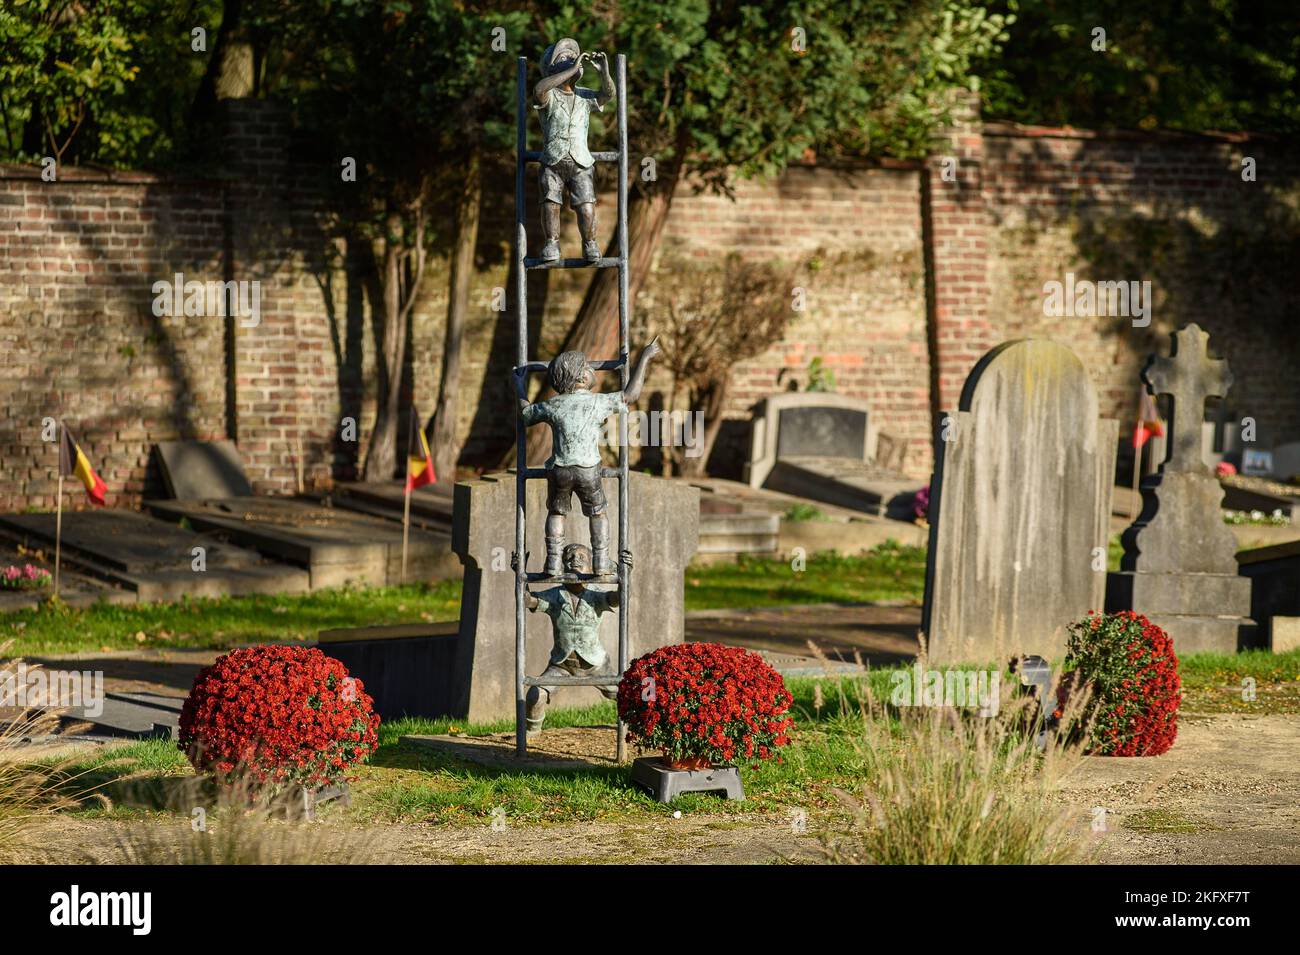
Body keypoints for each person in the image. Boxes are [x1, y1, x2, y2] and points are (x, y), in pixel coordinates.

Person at [519, 338, 660, 576]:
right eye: (588, 367)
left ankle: (553, 562)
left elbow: (526, 414)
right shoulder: (598, 402)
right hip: (588, 469)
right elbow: (630, 395)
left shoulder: (554, 404)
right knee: (598, 512)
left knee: (556, 512)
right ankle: (601, 561)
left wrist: (519, 386)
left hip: (559, 468)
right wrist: (644, 358)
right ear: (581, 378)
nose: (593, 370)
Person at [515, 544, 627, 733]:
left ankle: (630, 727)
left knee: (625, 694)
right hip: (562, 664)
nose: (575, 560)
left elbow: (617, 598)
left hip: (595, 663)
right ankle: (532, 732)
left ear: (592, 566)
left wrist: (624, 577)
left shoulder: (596, 593)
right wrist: (520, 576)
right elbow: (528, 600)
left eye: (582, 557)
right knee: (536, 694)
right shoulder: (554, 595)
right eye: (569, 557)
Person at [534, 38, 615, 263]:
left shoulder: (584, 96)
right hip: (553, 162)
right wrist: (571, 69)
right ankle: (551, 243)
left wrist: (604, 73)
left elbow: (608, 95)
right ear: (552, 69)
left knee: (586, 206)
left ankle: (590, 242)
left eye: (573, 57)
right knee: (550, 204)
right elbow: (539, 88)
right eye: (565, 59)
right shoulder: (548, 95)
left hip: (580, 162)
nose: (573, 61)